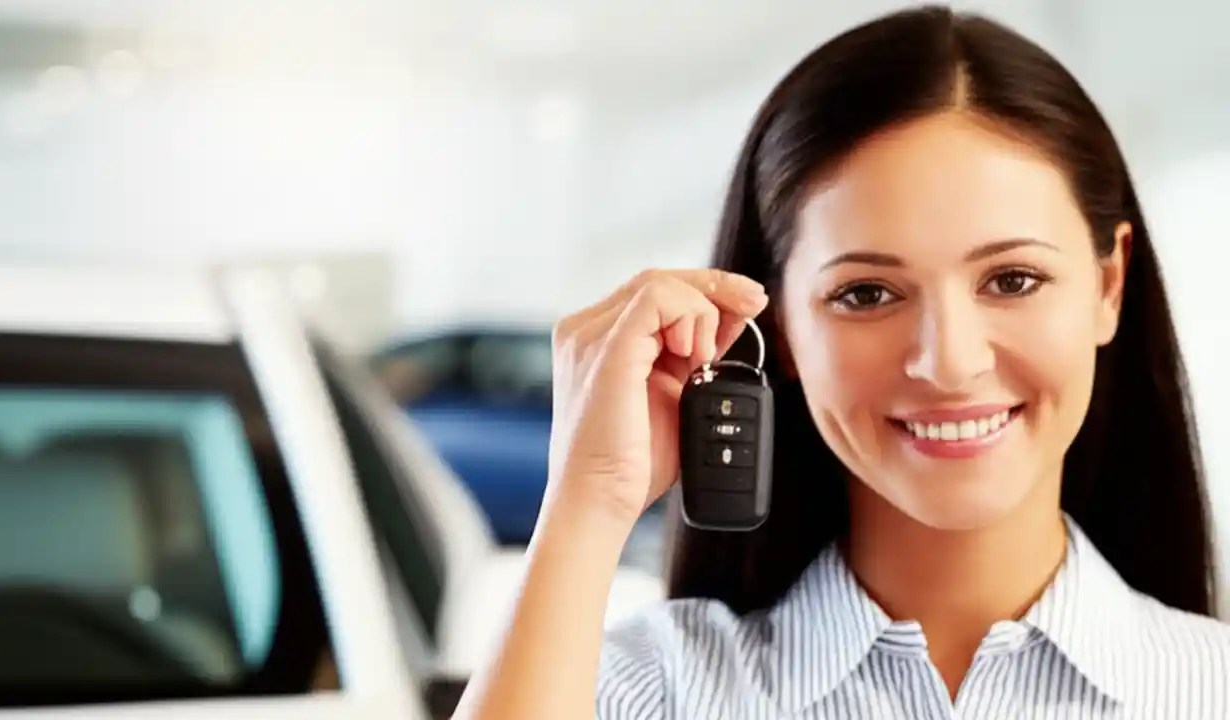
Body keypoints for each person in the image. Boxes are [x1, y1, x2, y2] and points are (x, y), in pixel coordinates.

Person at [451, 5, 1230, 719]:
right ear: (778, 323)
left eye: (1012, 280)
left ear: (1107, 285)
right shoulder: (646, 690)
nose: (949, 362)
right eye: (865, 294)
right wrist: (588, 503)